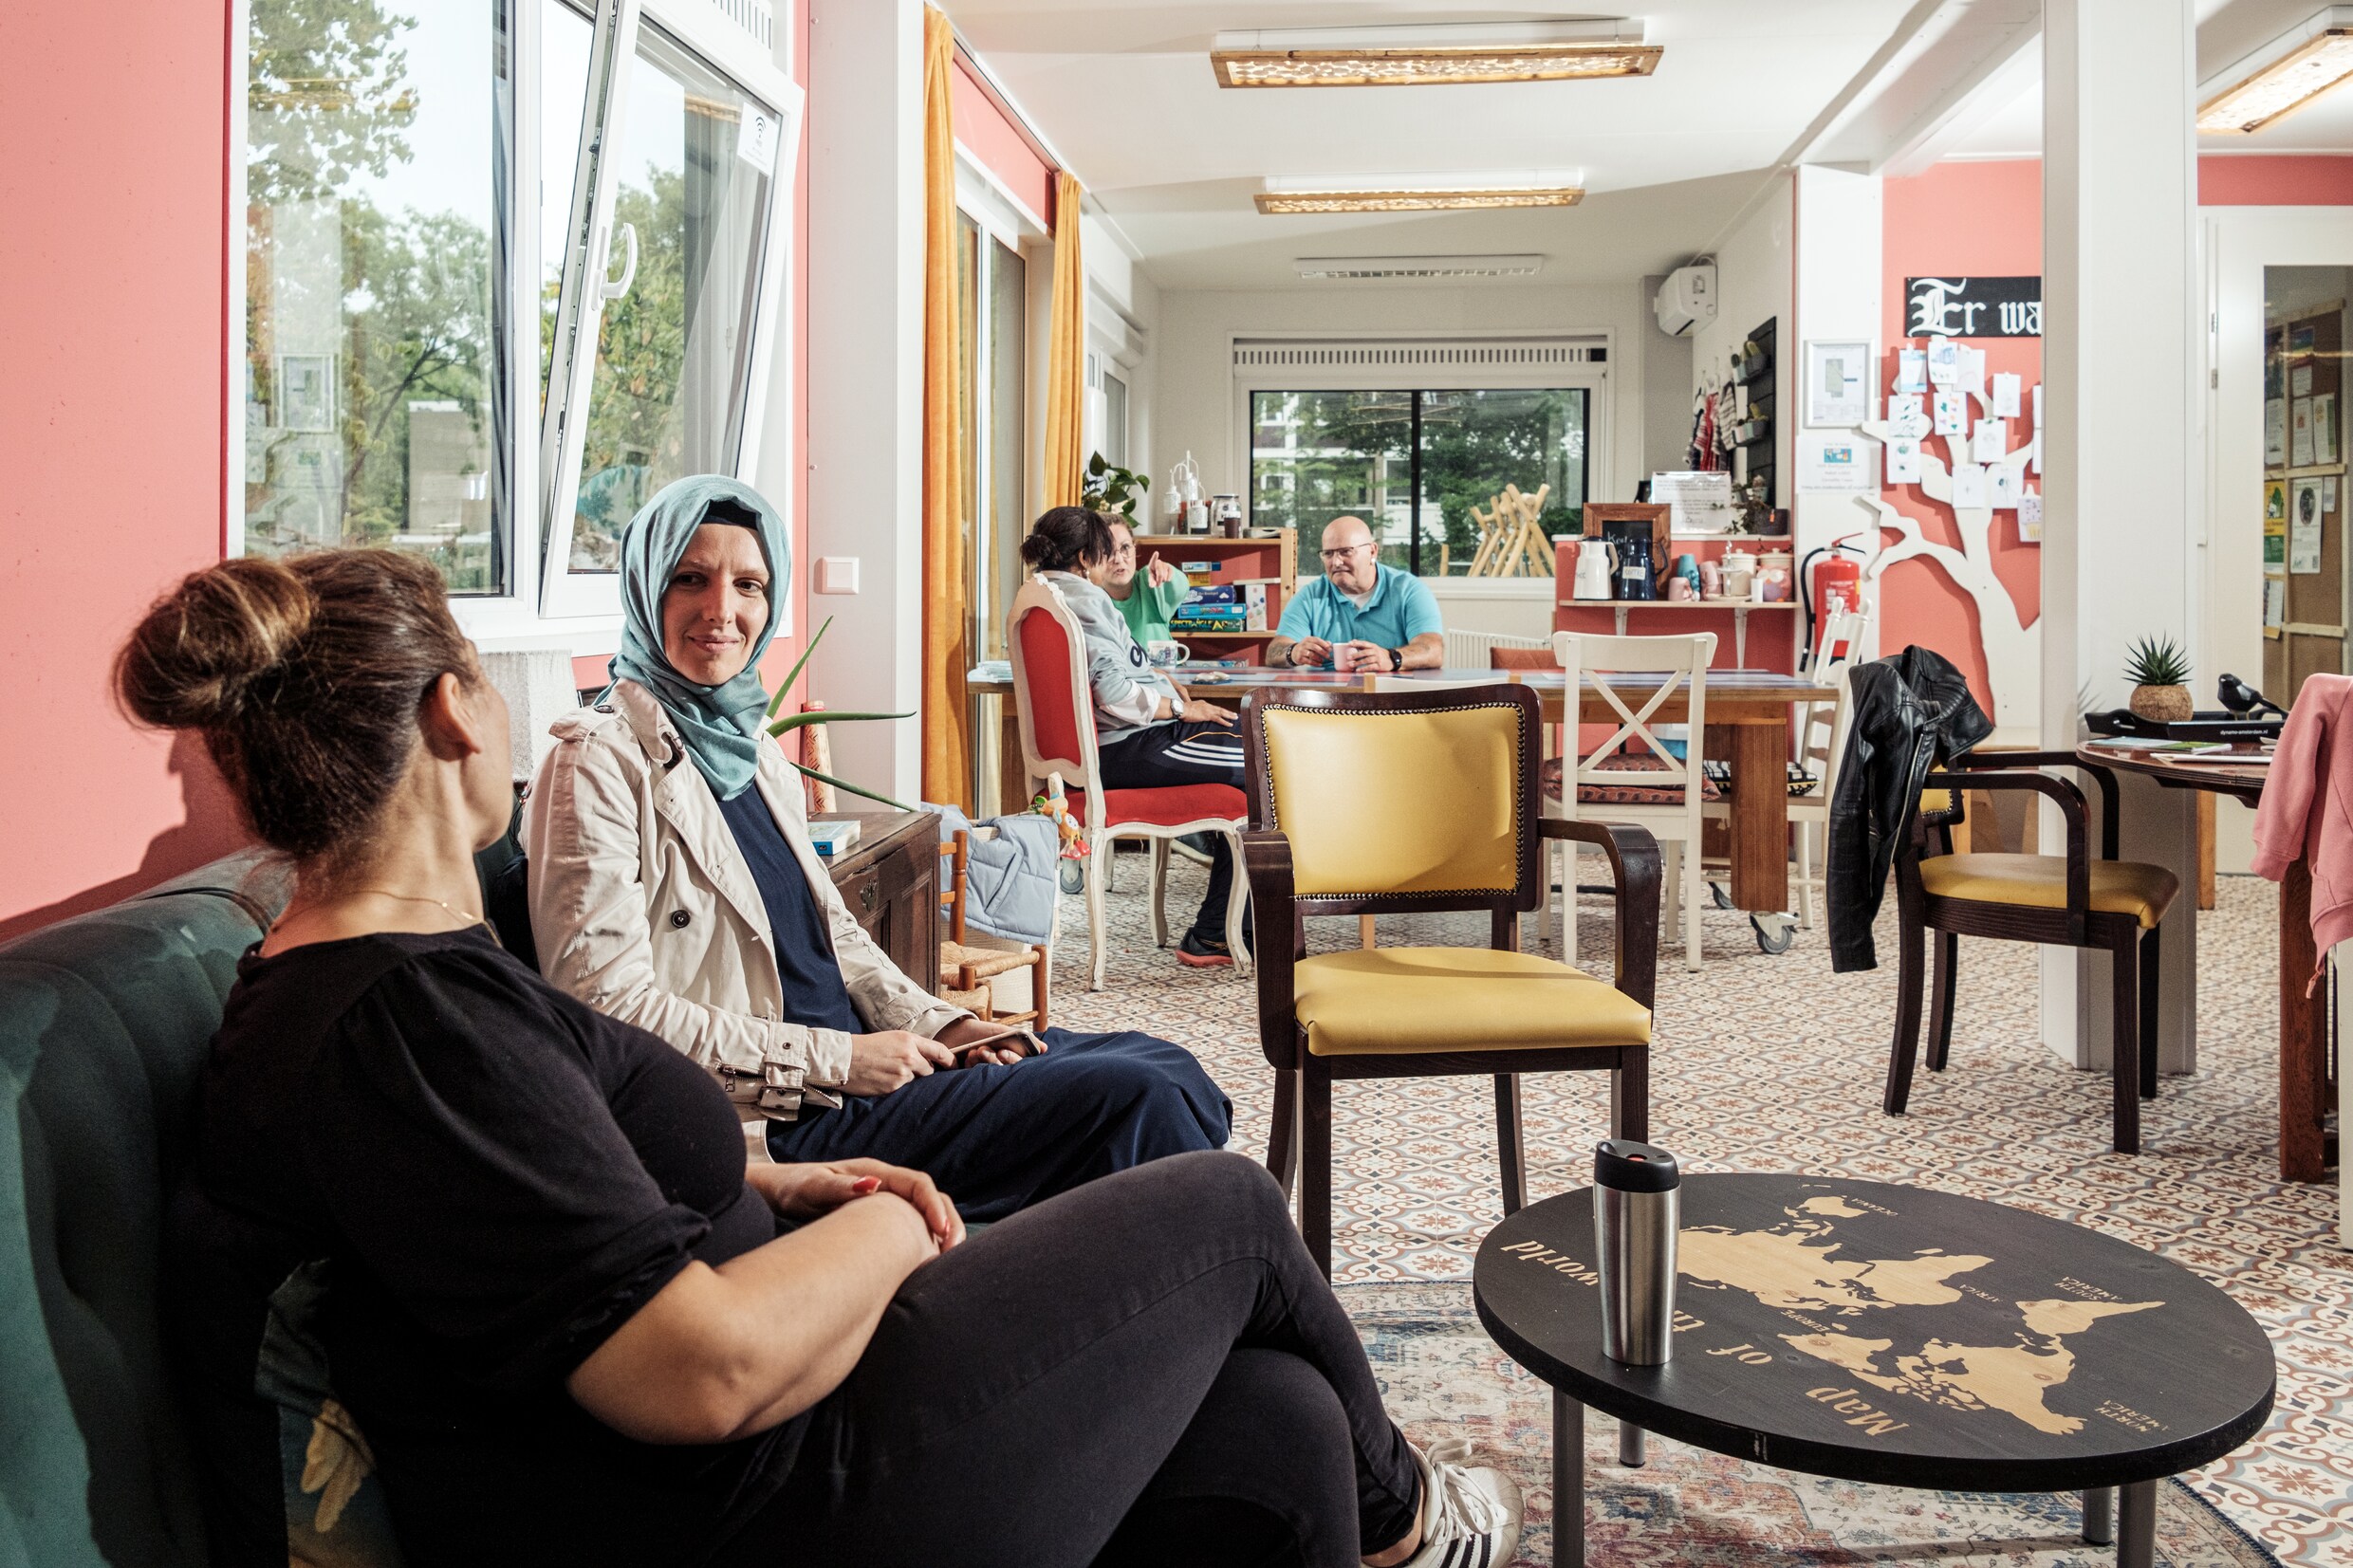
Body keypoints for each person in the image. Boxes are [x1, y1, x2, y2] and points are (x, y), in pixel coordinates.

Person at [120, 548, 1522, 1568]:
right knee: (1223, 1211)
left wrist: (771, 1184)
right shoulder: (398, 1027)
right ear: (449, 715)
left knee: (1274, 1425)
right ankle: (1418, 1525)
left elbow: (541, 1184)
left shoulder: (399, 985)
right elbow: (702, 1372)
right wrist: (895, 1221)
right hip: (749, 1493)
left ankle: (1375, 1512)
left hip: (771, 1397)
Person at [525, 476, 1228, 1217]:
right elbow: (607, 1013)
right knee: (1140, 1098)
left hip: (870, 1060)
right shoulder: (595, 763)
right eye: (690, 579)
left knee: (1165, 1062)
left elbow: (836, 936)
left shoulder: (748, 747)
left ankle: (1122, 1286)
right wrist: (843, 1059)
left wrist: (945, 1024)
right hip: (795, 1116)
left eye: (749, 584)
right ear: (644, 589)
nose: (722, 611)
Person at [1023, 506, 1251, 968]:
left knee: (1250, 735)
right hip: (1134, 747)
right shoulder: (1084, 601)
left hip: (1125, 744)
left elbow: (1111, 676)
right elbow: (1116, 694)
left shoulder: (1041, 598)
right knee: (1268, 765)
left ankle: (1230, 925)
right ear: (1085, 558)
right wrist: (1185, 707)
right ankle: (1214, 934)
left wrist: (1161, 683)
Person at [1268, 516, 1445, 673]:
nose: (1336, 562)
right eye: (1328, 554)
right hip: (1329, 700)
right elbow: (1274, 651)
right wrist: (1293, 652)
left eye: (1346, 551)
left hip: (1394, 695)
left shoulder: (1409, 590)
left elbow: (1433, 650)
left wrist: (1391, 658)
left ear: (1372, 551)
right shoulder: (1310, 596)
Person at [1102, 516, 1189, 646]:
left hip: (1163, 666)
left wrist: (1165, 572)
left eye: (1125, 547)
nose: (1119, 559)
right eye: (1107, 551)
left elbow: (1181, 587)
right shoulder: (1091, 599)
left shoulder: (1148, 582)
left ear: (1135, 549)